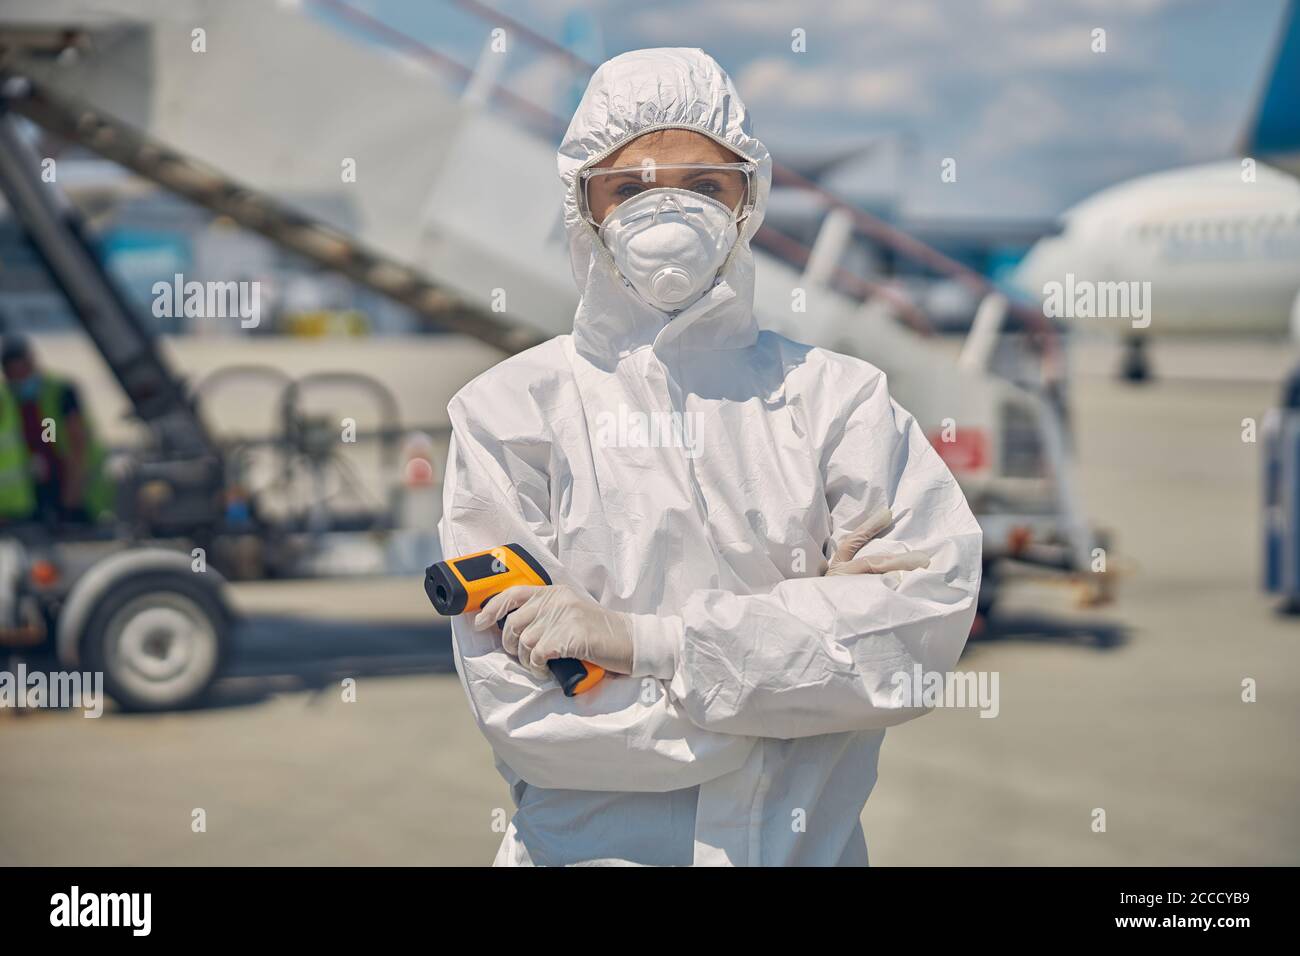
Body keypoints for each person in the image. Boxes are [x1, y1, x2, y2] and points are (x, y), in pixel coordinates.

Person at [437, 48, 982, 866]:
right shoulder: (510, 413)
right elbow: (532, 726)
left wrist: (641, 645)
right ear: (583, 206)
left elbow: (915, 643)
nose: (663, 213)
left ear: (748, 200)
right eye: (626, 187)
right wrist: (801, 675)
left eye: (700, 185)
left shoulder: (840, 401)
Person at [0, 335, 110, 526]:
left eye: (22, 370)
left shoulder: (59, 392)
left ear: (32, 363)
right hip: (36, 495)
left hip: (75, 491)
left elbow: (77, 444)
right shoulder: (11, 398)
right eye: (13, 373)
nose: (20, 378)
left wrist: (70, 500)